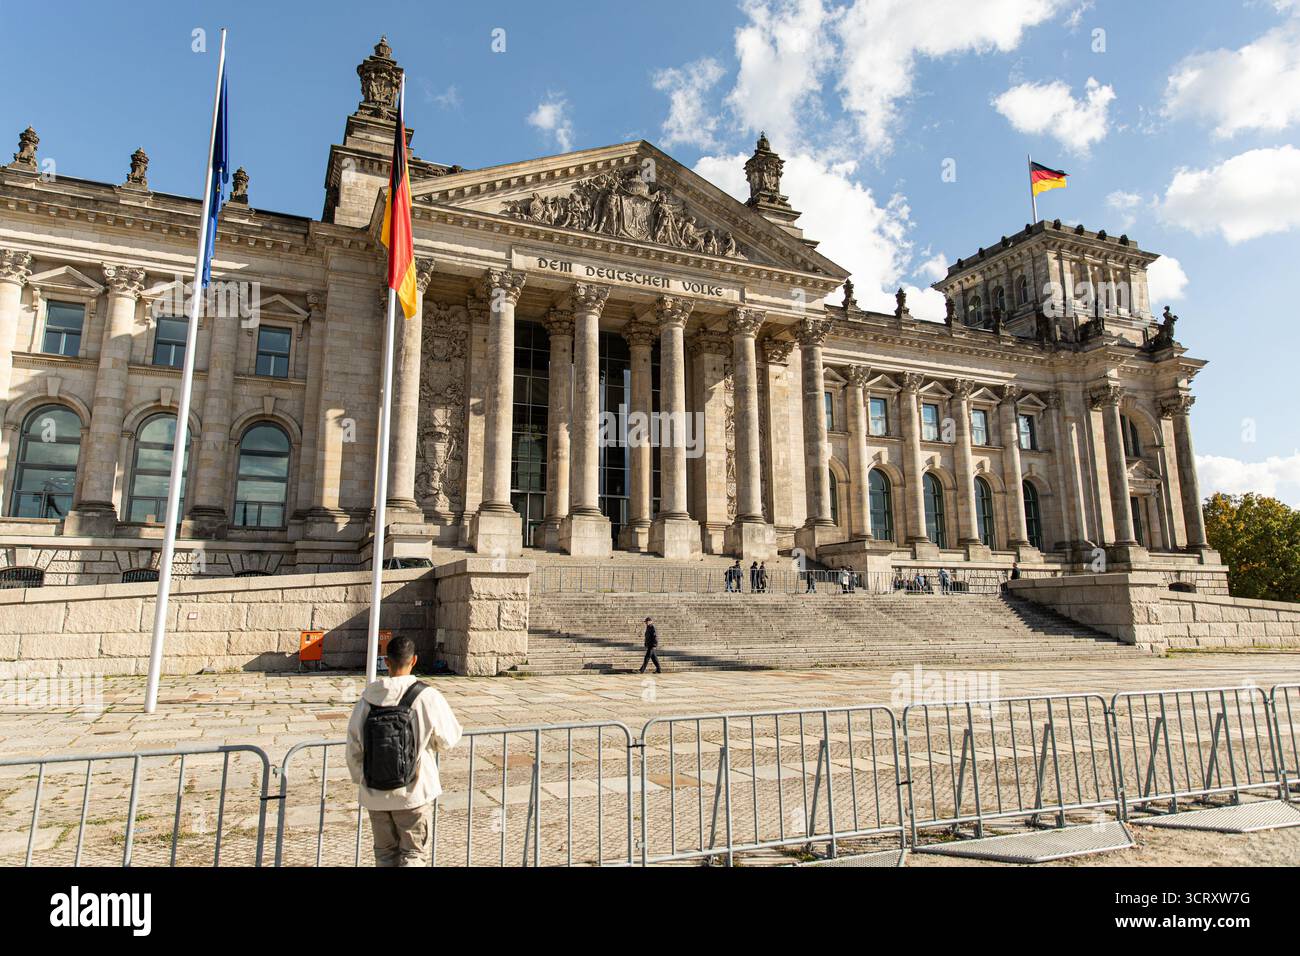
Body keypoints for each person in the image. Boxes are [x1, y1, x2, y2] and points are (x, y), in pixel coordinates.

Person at [346, 635, 462, 867]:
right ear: (415, 660)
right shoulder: (427, 696)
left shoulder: (367, 700)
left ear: (386, 662)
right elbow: (449, 739)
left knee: (385, 855)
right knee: (414, 855)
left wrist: (364, 779)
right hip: (413, 793)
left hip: (375, 795)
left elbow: (353, 747)